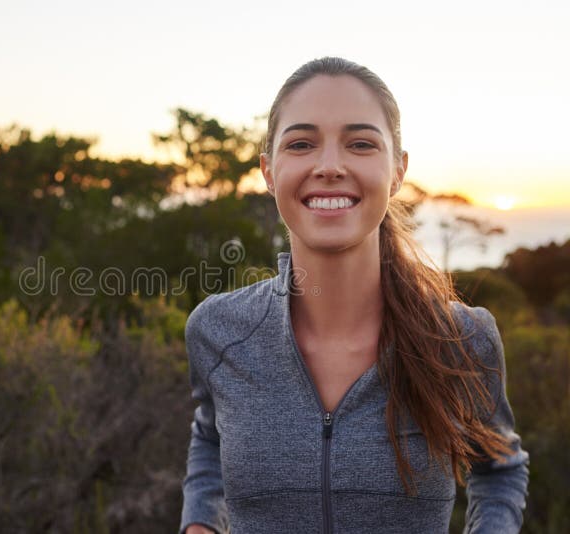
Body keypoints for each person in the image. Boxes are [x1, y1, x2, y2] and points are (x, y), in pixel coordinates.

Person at [179, 57, 529, 534]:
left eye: (360, 144)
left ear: (398, 171)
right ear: (267, 171)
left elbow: (500, 467)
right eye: (301, 144)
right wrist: (200, 521)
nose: (329, 166)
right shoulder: (218, 331)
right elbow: (210, 435)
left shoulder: (462, 340)